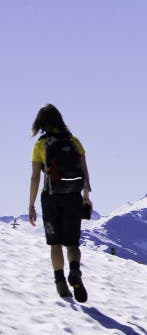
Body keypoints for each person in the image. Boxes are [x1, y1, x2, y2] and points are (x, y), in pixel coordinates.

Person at [28, 104, 92, 302]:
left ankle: (61, 284)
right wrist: (86, 196)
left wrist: (31, 205)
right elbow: (84, 172)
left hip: (51, 197)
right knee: (72, 243)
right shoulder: (73, 141)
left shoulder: (41, 145)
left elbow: (35, 178)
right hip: (73, 195)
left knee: (55, 243)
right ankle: (75, 271)